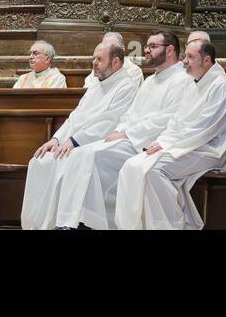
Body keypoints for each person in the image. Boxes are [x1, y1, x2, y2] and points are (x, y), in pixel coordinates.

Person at [50, 32, 193, 230]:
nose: (146, 50)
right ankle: (74, 220)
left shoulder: (182, 80)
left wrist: (128, 134)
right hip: (129, 138)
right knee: (80, 153)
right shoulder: (151, 80)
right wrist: (120, 130)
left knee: (90, 155)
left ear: (169, 50)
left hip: (148, 144)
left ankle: (93, 222)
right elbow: (130, 114)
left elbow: (166, 119)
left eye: (152, 46)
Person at [114, 40, 226, 229]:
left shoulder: (220, 86)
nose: (184, 61)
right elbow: (176, 120)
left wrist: (167, 144)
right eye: (185, 56)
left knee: (154, 172)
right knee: (130, 165)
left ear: (207, 60)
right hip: (184, 145)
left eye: (190, 57)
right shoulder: (194, 83)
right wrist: (161, 140)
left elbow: (205, 127)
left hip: (209, 149)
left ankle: (174, 225)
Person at [20, 41, 138, 229]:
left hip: (96, 145)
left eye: (99, 59)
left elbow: (109, 122)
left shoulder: (126, 87)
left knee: (70, 159)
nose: (94, 62)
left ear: (116, 63)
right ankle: (39, 224)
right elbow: (75, 117)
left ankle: (67, 222)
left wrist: (75, 141)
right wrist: (56, 139)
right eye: (93, 58)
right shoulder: (96, 86)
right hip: (74, 143)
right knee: (40, 160)